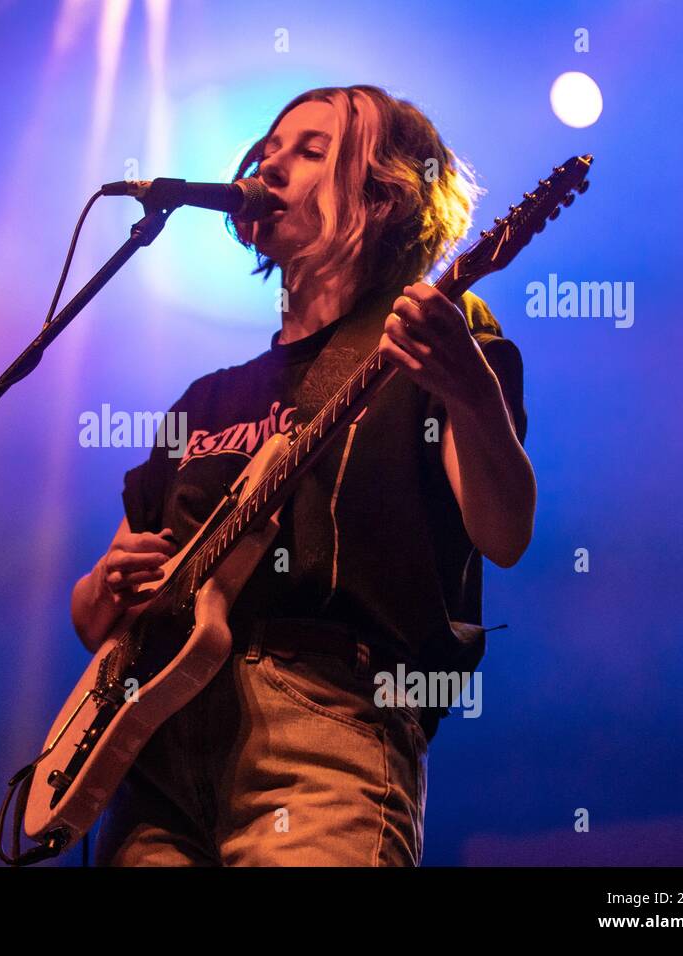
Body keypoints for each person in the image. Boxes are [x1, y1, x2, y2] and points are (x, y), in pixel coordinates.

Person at [69, 85, 534, 866]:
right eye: (270, 149)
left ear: (384, 195)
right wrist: (112, 583)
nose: (272, 163)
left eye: (311, 150)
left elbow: (506, 532)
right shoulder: (208, 397)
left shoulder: (440, 346)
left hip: (325, 727)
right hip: (155, 747)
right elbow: (93, 620)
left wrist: (466, 386)